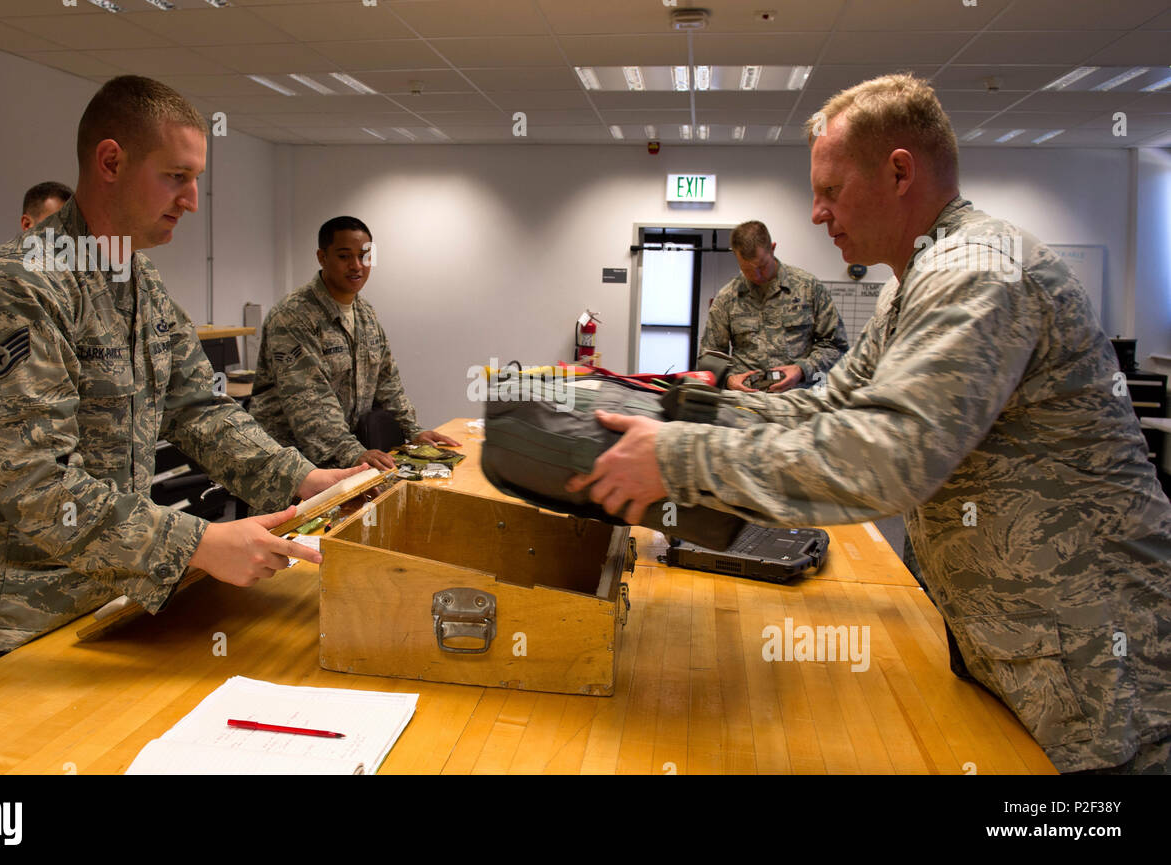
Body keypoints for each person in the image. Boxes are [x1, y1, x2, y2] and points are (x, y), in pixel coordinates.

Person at [568, 73, 1171, 774]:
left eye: (830, 190)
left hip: (1098, 683)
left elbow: (890, 454)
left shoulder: (979, 271)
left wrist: (680, 460)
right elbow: (828, 405)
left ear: (898, 171)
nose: (817, 213)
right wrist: (674, 407)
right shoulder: (908, 284)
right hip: (1020, 656)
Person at [0, 76, 364, 695]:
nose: (193, 199)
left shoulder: (138, 281)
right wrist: (198, 542)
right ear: (111, 162)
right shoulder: (19, 288)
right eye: (176, 176)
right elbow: (36, 484)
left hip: (100, 598)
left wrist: (304, 480)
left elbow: (200, 409)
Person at [249, 216, 459, 470]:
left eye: (364, 256)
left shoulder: (365, 314)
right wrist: (351, 452)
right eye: (344, 256)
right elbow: (309, 400)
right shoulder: (294, 316)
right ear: (322, 257)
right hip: (288, 463)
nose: (357, 266)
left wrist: (413, 431)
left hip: (337, 457)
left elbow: (387, 382)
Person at [698, 221, 848, 392]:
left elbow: (836, 346)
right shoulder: (727, 298)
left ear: (773, 248)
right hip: (746, 404)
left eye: (762, 266)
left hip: (799, 401)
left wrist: (802, 369)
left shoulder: (808, 288)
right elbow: (709, 358)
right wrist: (728, 380)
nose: (757, 276)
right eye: (747, 269)